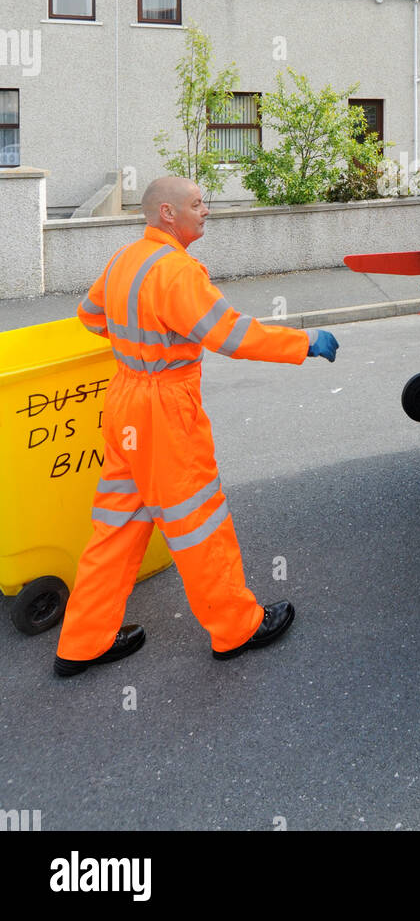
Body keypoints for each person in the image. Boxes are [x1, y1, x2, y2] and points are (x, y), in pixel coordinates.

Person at [53, 176, 338, 678]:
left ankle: (82, 641)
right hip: (165, 409)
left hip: (124, 402)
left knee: (116, 527)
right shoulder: (177, 272)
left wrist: (138, 342)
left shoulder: (125, 258)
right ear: (167, 213)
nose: (206, 210)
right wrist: (303, 342)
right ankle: (236, 628)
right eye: (197, 204)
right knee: (199, 521)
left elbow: (90, 315)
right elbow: (229, 334)